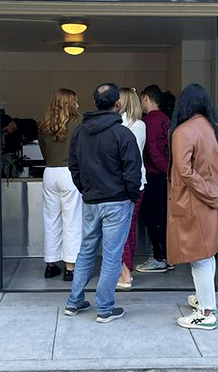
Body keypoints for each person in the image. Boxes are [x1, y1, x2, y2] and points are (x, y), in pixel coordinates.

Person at [167, 83, 218, 330]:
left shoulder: (183, 132)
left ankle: (205, 313)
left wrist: (215, 198)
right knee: (207, 256)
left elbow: (185, 173)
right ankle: (203, 299)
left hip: (197, 205)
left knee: (199, 258)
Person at [66, 83, 142, 322]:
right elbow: (133, 172)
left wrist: (85, 189)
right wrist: (132, 196)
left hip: (91, 200)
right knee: (111, 255)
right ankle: (105, 308)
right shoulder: (122, 133)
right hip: (117, 202)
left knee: (86, 251)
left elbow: (74, 166)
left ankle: (74, 302)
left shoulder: (80, 131)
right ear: (117, 104)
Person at [38, 89, 82, 281]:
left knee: (51, 220)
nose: (78, 105)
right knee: (71, 220)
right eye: (76, 101)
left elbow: (43, 150)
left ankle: (50, 265)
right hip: (69, 172)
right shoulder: (78, 123)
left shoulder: (44, 124)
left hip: (50, 171)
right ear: (70, 103)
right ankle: (70, 268)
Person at [136, 84, 171, 273]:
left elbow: (151, 149)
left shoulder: (148, 122)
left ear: (146, 98)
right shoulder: (167, 120)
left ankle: (158, 258)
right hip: (165, 176)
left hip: (153, 175)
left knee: (152, 218)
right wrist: (169, 171)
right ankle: (168, 256)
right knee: (164, 217)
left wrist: (163, 169)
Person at [117, 87, 147, 289]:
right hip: (140, 182)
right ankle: (127, 268)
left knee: (120, 229)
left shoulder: (120, 125)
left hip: (123, 182)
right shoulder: (141, 125)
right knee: (130, 227)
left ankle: (124, 274)